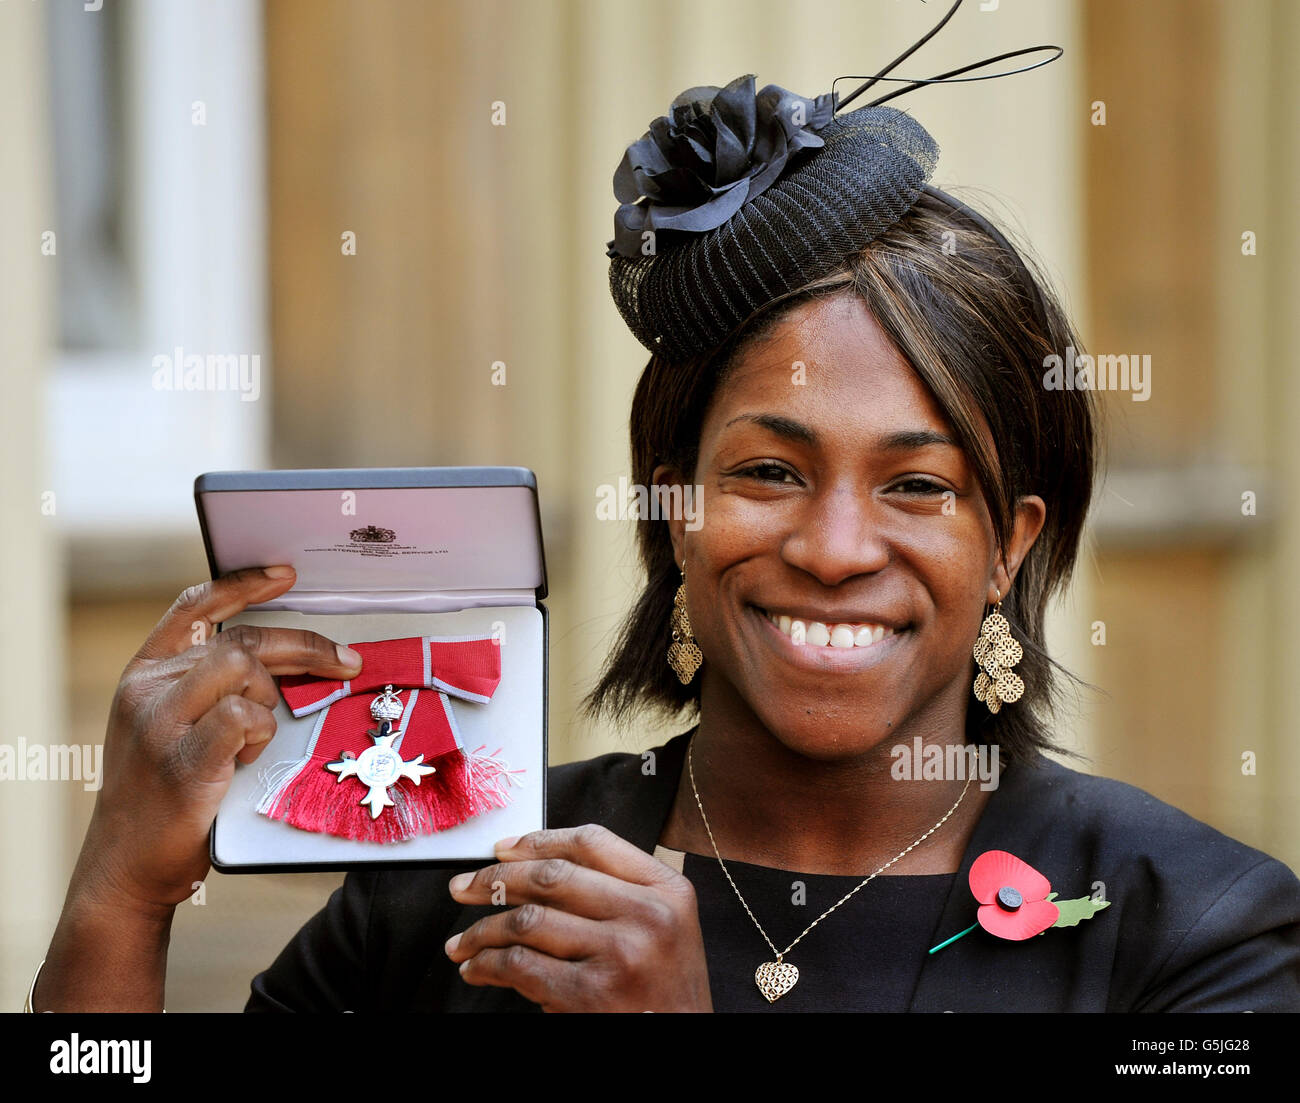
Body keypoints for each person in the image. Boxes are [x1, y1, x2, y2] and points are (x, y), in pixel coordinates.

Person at [29, 2, 1300, 1013]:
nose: (834, 546)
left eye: (916, 484)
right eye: (768, 471)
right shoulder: (456, 892)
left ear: (1006, 544)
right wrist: (118, 903)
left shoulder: (1189, 928)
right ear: (672, 503)